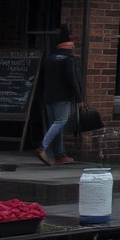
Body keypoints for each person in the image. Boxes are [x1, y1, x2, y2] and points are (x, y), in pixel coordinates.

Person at [37, 25, 83, 166]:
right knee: (61, 121)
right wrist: (79, 97)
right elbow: (72, 79)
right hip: (63, 97)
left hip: (48, 96)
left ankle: (59, 155)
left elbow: (41, 79)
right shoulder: (68, 59)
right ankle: (42, 147)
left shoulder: (48, 58)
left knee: (55, 125)